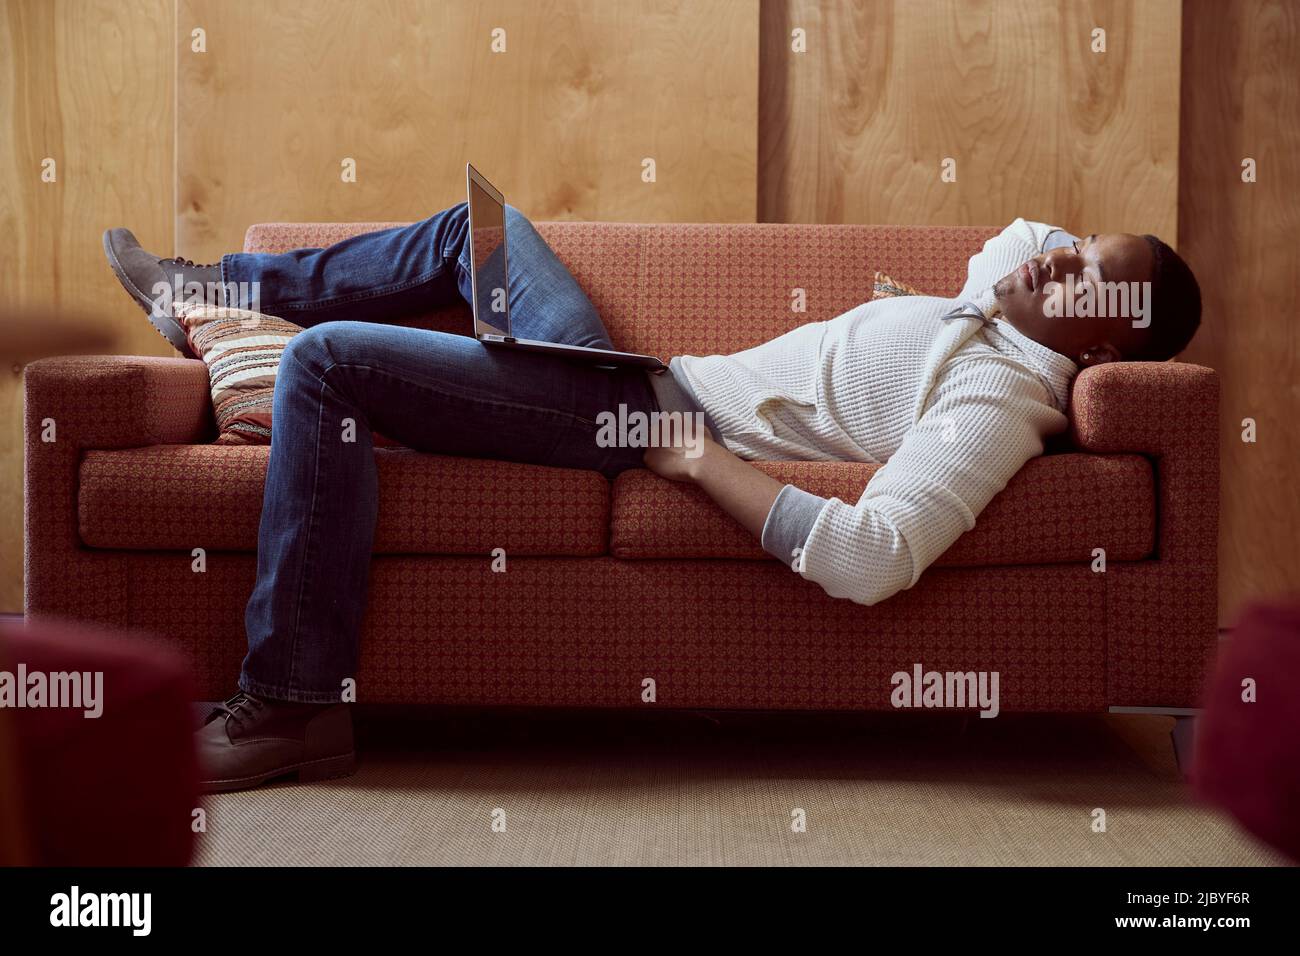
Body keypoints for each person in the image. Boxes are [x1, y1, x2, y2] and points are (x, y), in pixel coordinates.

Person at [103, 205, 1202, 792]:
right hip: (626, 372)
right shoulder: (1006, 300)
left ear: (1101, 341)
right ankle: (208, 292)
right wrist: (1066, 266)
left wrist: (691, 457)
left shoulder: (998, 394)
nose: (1048, 260)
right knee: (469, 232)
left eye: (1075, 274)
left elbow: (872, 554)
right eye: (1067, 246)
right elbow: (1019, 239)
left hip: (635, 420)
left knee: (328, 363)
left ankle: (292, 700)